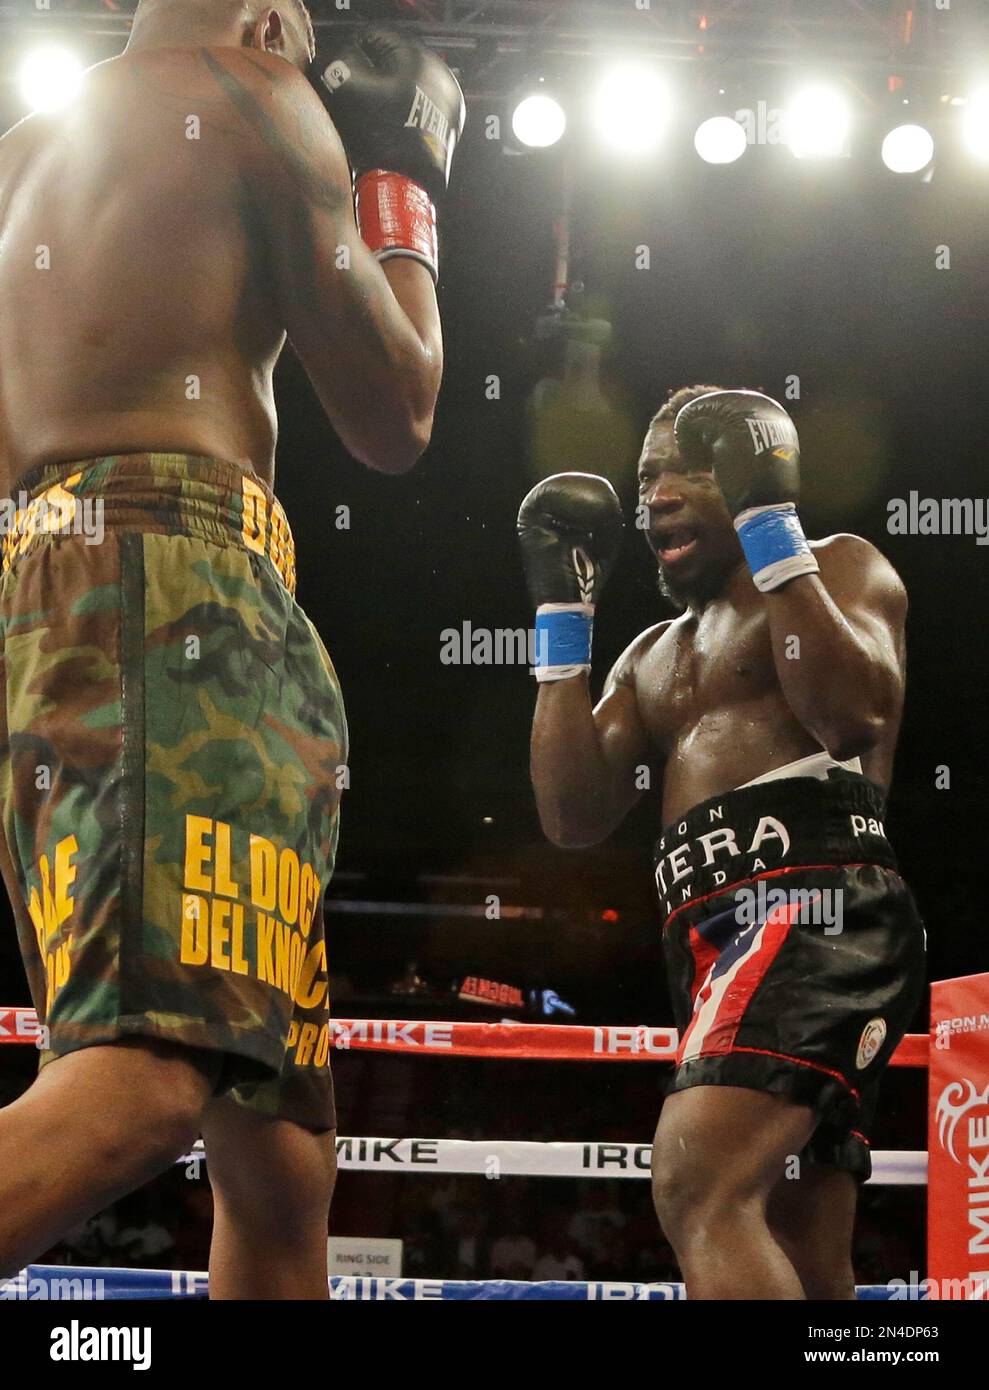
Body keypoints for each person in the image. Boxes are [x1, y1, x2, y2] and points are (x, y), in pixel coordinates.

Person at [0, 0, 463, 1299]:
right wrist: (405, 183)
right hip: (176, 588)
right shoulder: (257, 94)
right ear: (270, 11)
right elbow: (399, 406)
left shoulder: (26, 148)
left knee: (278, 1158)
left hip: (65, 591)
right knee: (141, 1086)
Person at [518, 386, 926, 1299]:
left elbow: (850, 714)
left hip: (813, 905)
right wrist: (562, 619)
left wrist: (772, 524)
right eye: (644, 477)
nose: (653, 492)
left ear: (747, 475)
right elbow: (570, 816)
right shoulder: (647, 655)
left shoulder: (840, 568)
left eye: (684, 468)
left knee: (696, 1182)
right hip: (703, 938)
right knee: (802, 1244)